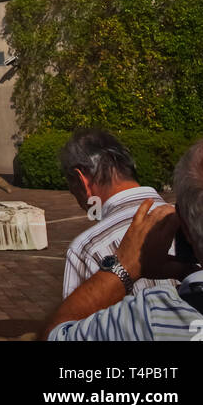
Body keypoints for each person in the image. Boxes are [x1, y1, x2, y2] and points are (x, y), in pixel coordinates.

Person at [43, 132, 203, 340]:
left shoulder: (86, 248)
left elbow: (58, 335)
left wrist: (121, 269)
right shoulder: (177, 216)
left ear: (81, 180)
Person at [59, 127, 175, 296]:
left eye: (73, 191)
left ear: (81, 180)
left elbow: (68, 322)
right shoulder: (192, 221)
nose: (80, 204)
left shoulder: (86, 250)